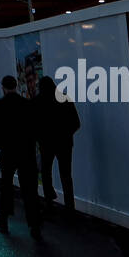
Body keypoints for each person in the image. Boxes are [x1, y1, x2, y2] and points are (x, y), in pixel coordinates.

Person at [0, 74, 43, 240]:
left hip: (8, 151)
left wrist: (1, 143)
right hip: (26, 151)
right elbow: (35, 127)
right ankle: (34, 224)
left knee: (6, 185)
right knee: (29, 189)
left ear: (3, 87)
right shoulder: (27, 105)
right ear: (16, 86)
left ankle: (3, 217)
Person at [35, 75, 79, 214]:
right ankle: (70, 209)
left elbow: (33, 125)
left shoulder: (38, 102)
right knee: (66, 176)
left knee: (46, 173)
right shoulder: (65, 98)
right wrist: (66, 134)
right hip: (65, 144)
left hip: (46, 144)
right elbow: (76, 123)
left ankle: (49, 204)